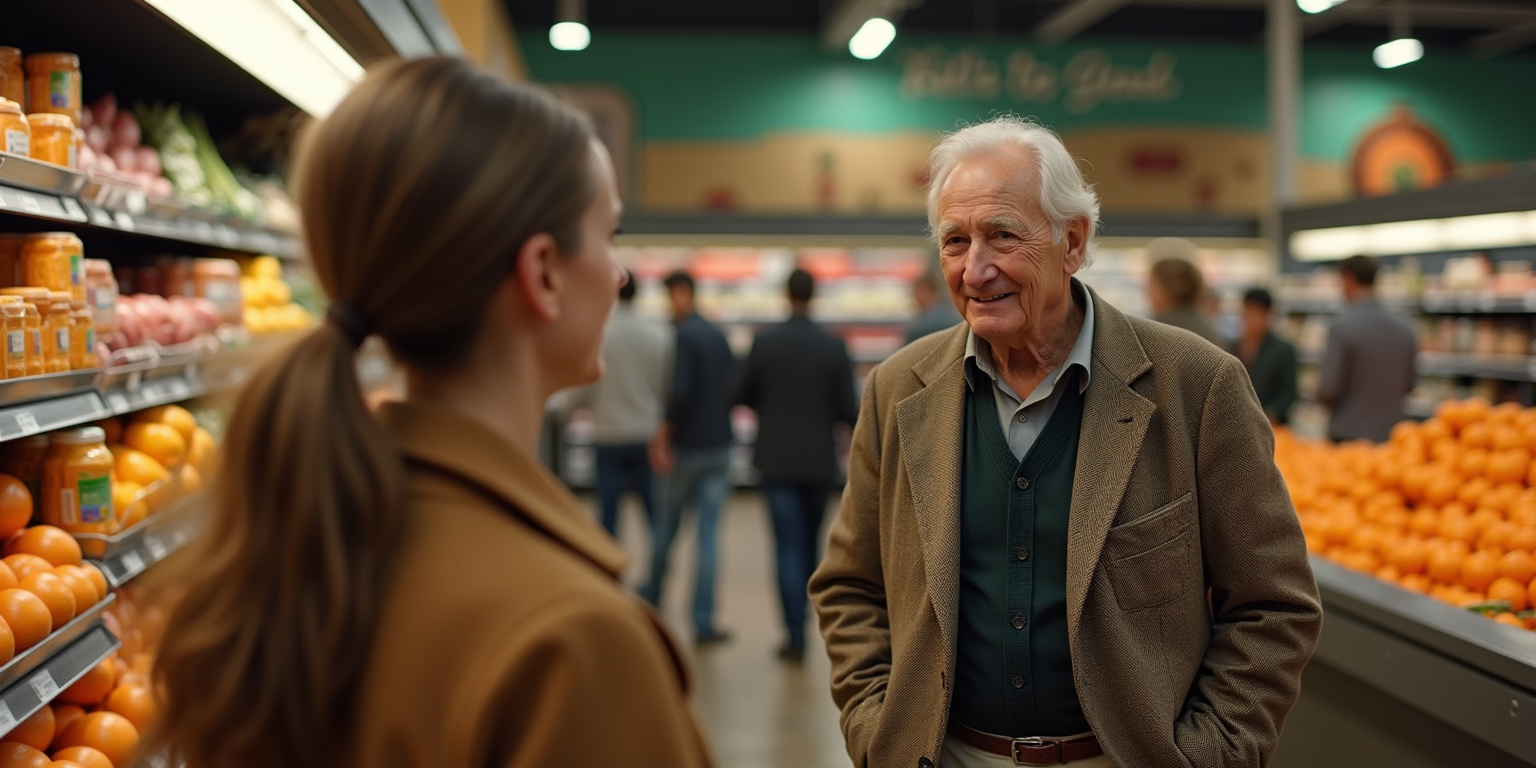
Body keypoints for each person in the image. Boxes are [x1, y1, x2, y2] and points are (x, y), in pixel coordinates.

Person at [147, 59, 713, 768]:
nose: (618, 273)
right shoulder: (572, 641)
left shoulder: (298, 551)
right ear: (543, 272)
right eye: (610, 235)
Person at [810, 116, 1321, 768]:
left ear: (1072, 241)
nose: (975, 270)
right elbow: (850, 586)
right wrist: (877, 728)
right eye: (955, 241)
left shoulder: (1195, 387)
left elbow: (1273, 604)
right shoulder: (897, 390)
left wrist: (1208, 754)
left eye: (1002, 235)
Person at [733, 268, 858, 662]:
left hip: (775, 458)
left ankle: (793, 634)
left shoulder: (765, 343)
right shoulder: (833, 346)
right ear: (814, 295)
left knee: (785, 545)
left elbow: (738, 393)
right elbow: (848, 408)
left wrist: (769, 407)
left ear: (787, 295)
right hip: (818, 460)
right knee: (809, 545)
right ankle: (807, 623)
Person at [642, 271, 737, 645]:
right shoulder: (717, 335)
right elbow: (733, 385)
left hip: (687, 449)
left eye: (670, 296)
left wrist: (663, 436)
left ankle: (651, 601)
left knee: (666, 529)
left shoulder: (683, 336)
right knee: (708, 538)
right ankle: (703, 621)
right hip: (719, 447)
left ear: (682, 293)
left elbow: (679, 393)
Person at [570, 269, 672, 537]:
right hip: (647, 433)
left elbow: (583, 387)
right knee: (654, 513)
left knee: (608, 514)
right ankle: (658, 563)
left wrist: (567, 409)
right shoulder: (659, 334)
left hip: (608, 434)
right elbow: (669, 387)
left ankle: (610, 563)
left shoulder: (599, 334)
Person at [1318, 255, 1417, 443]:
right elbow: (1409, 384)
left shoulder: (1342, 327)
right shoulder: (1406, 327)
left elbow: (1329, 389)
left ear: (1348, 279)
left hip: (1348, 438)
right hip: (1392, 436)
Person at [1235, 287, 1299, 426]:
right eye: (1249, 311)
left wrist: (1271, 414)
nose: (1253, 318)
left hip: (1271, 425)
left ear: (1268, 315)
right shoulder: (1232, 346)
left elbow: (1289, 392)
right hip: (1237, 423)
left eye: (1258, 312)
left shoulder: (1283, 349)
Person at [1147, 255, 1228, 350]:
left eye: (1152, 284)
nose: (1148, 292)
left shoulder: (1162, 326)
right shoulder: (1204, 323)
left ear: (1167, 288)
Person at [908, 268, 964, 343]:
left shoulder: (922, 326)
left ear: (924, 291)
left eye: (916, 293)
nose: (915, 298)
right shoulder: (953, 316)